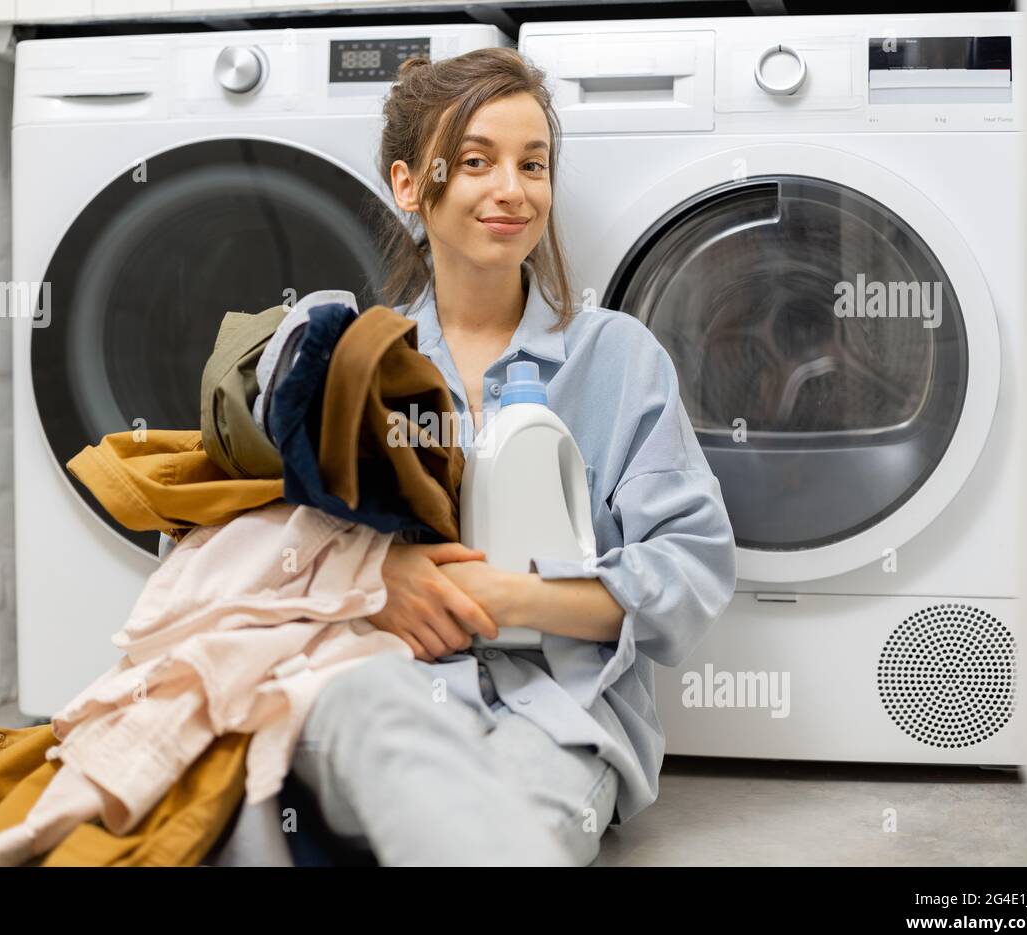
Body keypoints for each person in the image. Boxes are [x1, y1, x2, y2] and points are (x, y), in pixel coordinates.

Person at [286, 47, 738, 866]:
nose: (512, 189)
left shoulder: (618, 359)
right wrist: (375, 579)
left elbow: (690, 567)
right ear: (409, 185)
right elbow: (253, 544)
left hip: (563, 704)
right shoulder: (358, 360)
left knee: (492, 842)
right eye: (474, 161)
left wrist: (514, 594)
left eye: (533, 164)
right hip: (393, 680)